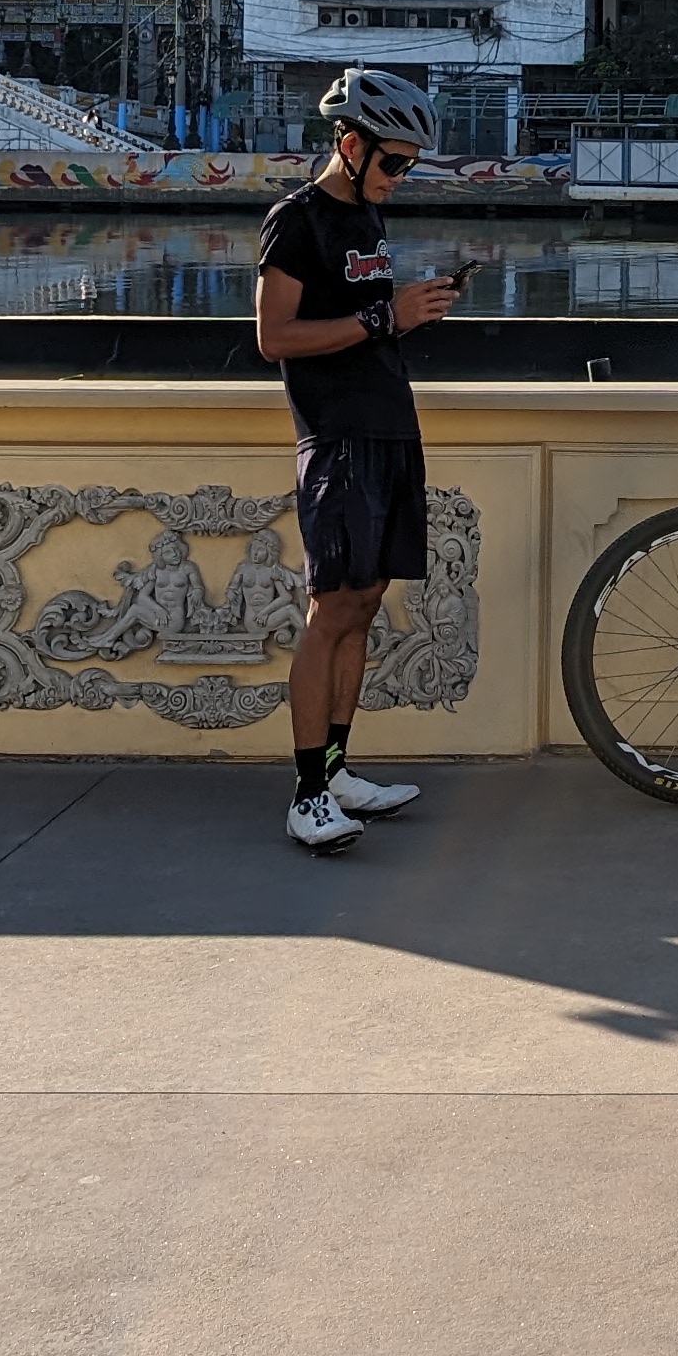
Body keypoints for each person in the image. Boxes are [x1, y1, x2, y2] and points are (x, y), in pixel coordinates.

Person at [253, 67, 462, 853]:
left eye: (409, 165)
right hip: (337, 436)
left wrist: (409, 315)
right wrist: (386, 315)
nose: (400, 178)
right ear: (349, 144)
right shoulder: (294, 220)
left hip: (387, 428)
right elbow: (276, 339)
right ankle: (306, 793)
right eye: (394, 162)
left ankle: (337, 772)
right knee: (333, 607)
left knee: (366, 603)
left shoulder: (368, 221)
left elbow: (362, 322)